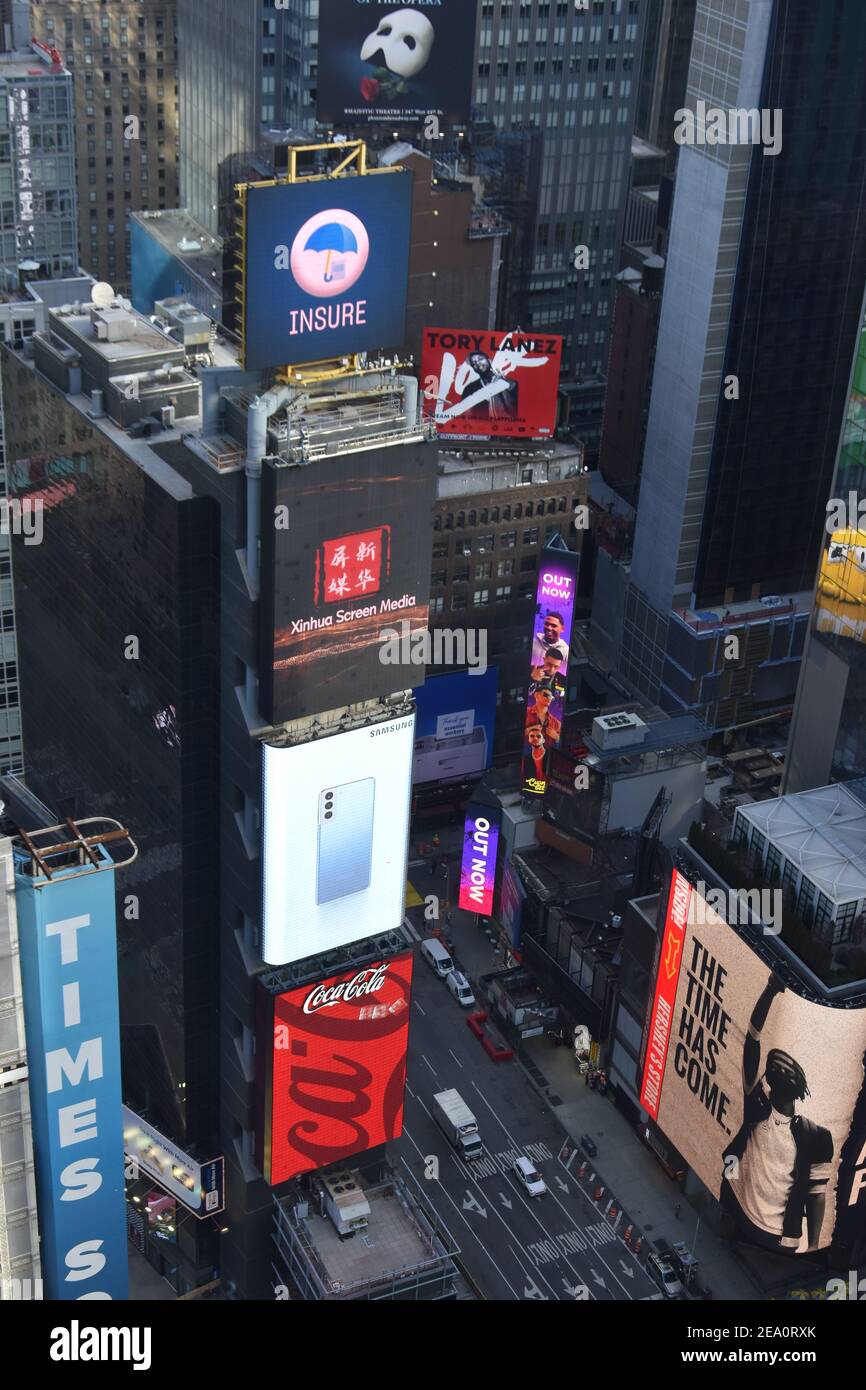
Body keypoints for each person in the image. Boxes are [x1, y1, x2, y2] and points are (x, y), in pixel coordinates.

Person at [720, 974, 833, 1253]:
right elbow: (752, 1037)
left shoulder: (815, 1134)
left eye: (787, 1071)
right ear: (768, 1078)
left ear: (799, 1089)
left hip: (781, 1235)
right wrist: (770, 990)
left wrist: (814, 1244)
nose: (781, 1072)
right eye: (777, 1069)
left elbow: (817, 1193)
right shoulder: (756, 1104)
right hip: (740, 1206)